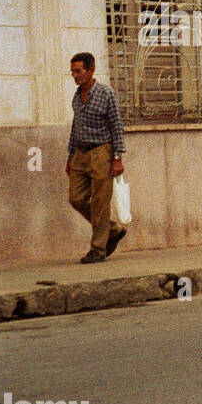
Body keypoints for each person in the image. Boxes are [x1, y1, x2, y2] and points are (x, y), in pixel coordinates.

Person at [66, 52, 127, 263]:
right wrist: (70, 155)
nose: (74, 75)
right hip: (80, 154)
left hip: (102, 152)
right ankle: (112, 229)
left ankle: (98, 249)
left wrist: (117, 157)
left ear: (91, 70)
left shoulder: (105, 93)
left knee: (101, 202)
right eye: (72, 71)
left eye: (78, 71)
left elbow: (116, 126)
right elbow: (76, 126)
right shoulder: (77, 95)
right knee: (75, 198)